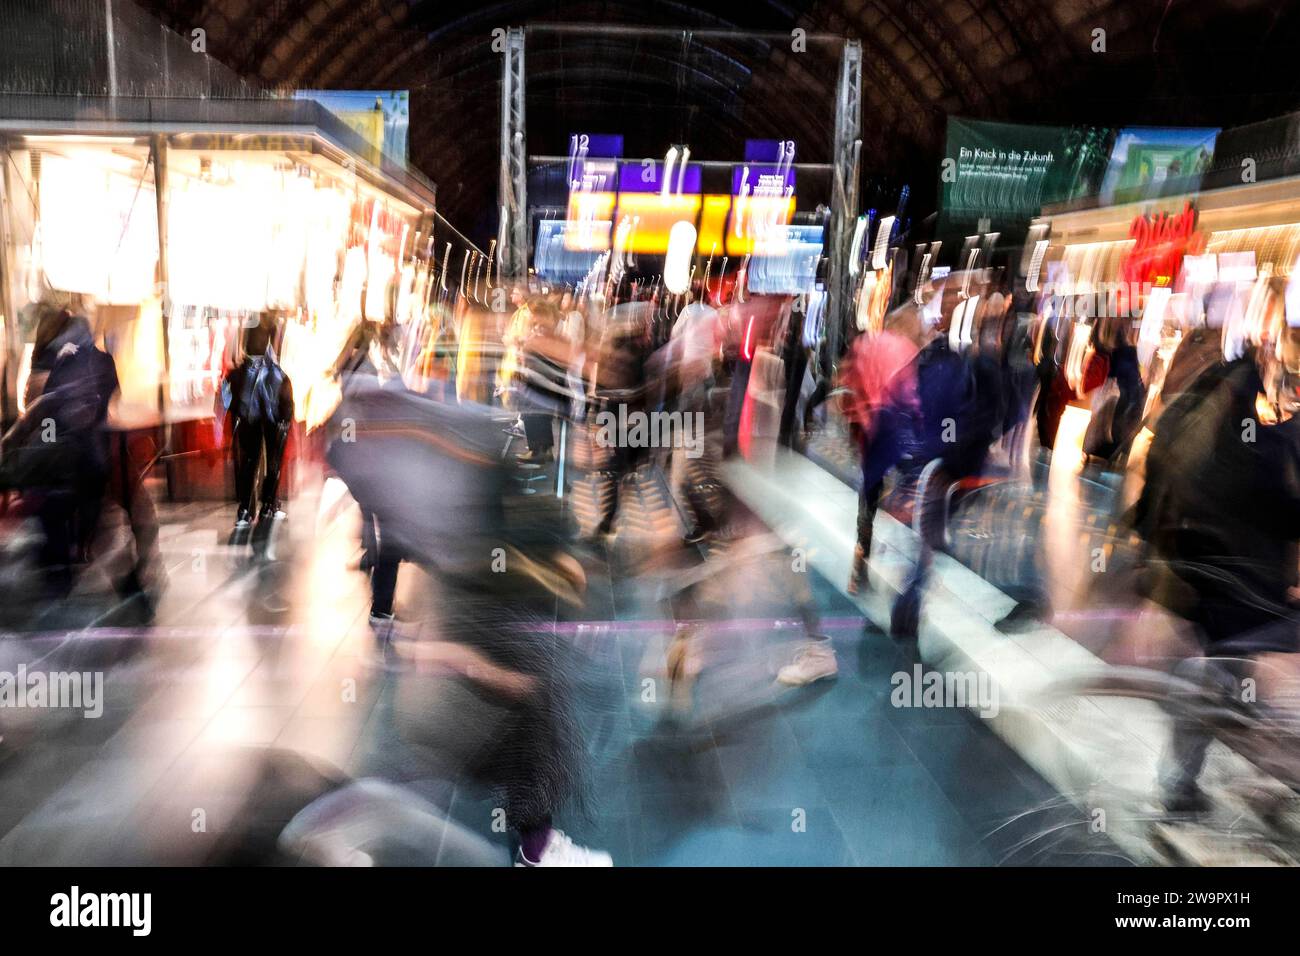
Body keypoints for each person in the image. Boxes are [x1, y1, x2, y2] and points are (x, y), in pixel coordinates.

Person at [222, 314, 294, 546]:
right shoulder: (276, 373)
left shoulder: (238, 373)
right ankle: (268, 506)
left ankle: (245, 510)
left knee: (250, 462)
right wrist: (285, 417)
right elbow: (285, 400)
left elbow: (227, 400)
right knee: (272, 461)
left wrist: (235, 414)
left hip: (247, 418)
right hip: (272, 418)